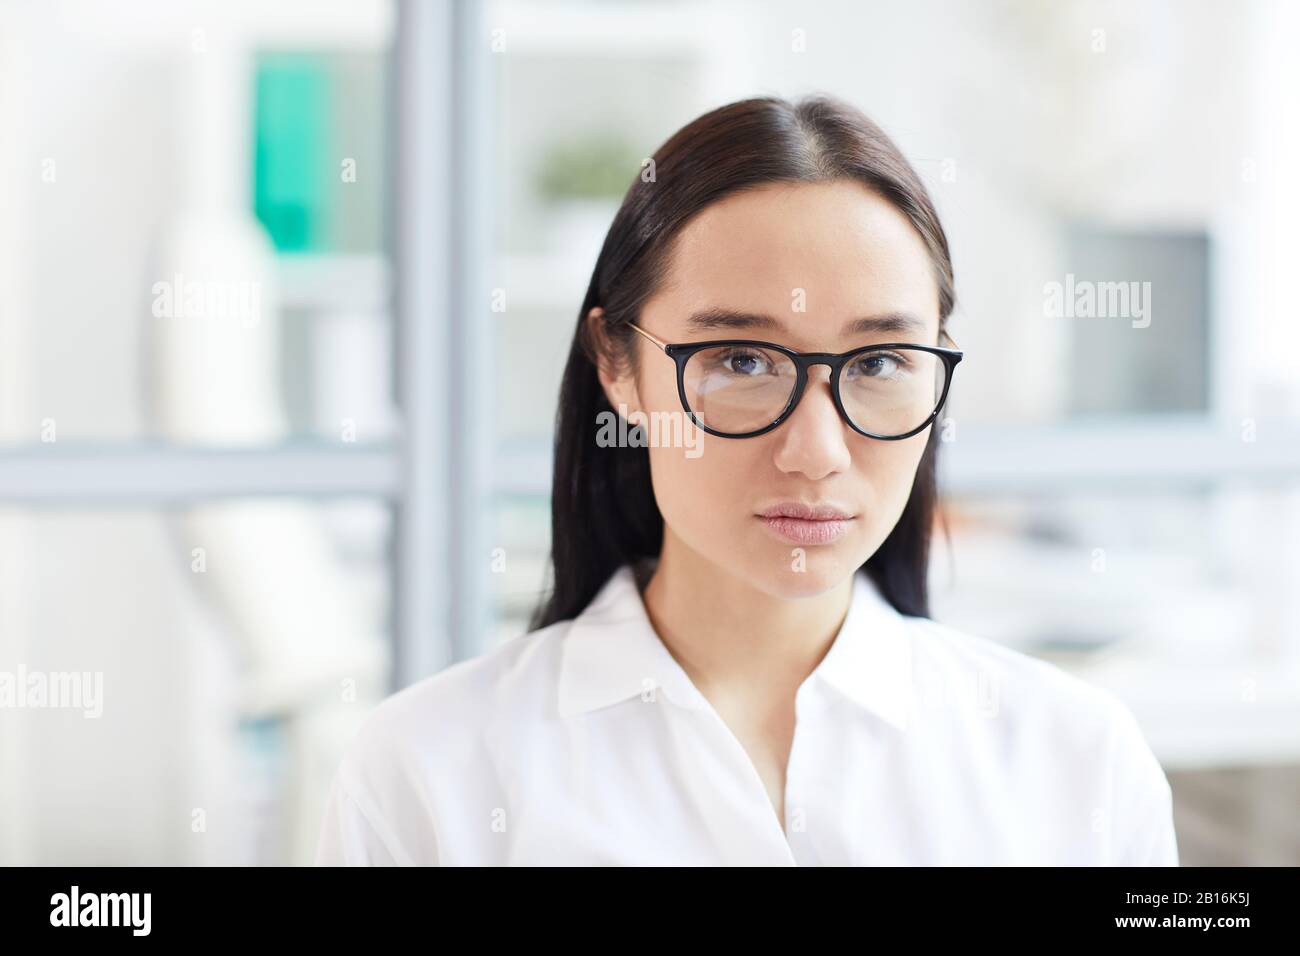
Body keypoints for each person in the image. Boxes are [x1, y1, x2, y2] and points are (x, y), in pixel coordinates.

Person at [315, 93, 1178, 866]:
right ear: (617, 363)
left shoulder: (1076, 763)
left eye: (879, 359)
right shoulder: (431, 773)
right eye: (740, 359)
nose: (816, 451)